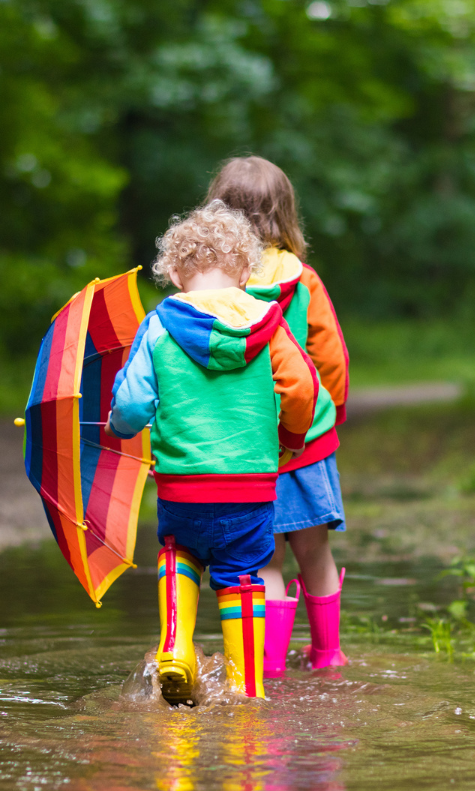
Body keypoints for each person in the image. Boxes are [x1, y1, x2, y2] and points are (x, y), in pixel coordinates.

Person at [106, 200, 318, 704]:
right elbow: (304, 390)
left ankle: (175, 647)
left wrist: (119, 422)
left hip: (183, 484)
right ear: (246, 270)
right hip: (251, 485)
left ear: (176, 274)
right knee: (242, 575)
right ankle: (248, 684)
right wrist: (288, 439)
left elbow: (133, 404)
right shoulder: (268, 322)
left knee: (180, 553)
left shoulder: (158, 326)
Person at [205, 157, 351, 675]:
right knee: (315, 553)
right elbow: (330, 356)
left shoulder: (210, 289)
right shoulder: (302, 280)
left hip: (247, 448)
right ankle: (327, 654)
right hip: (305, 441)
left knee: (265, 562)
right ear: (285, 215)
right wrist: (327, 412)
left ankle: (268, 668)